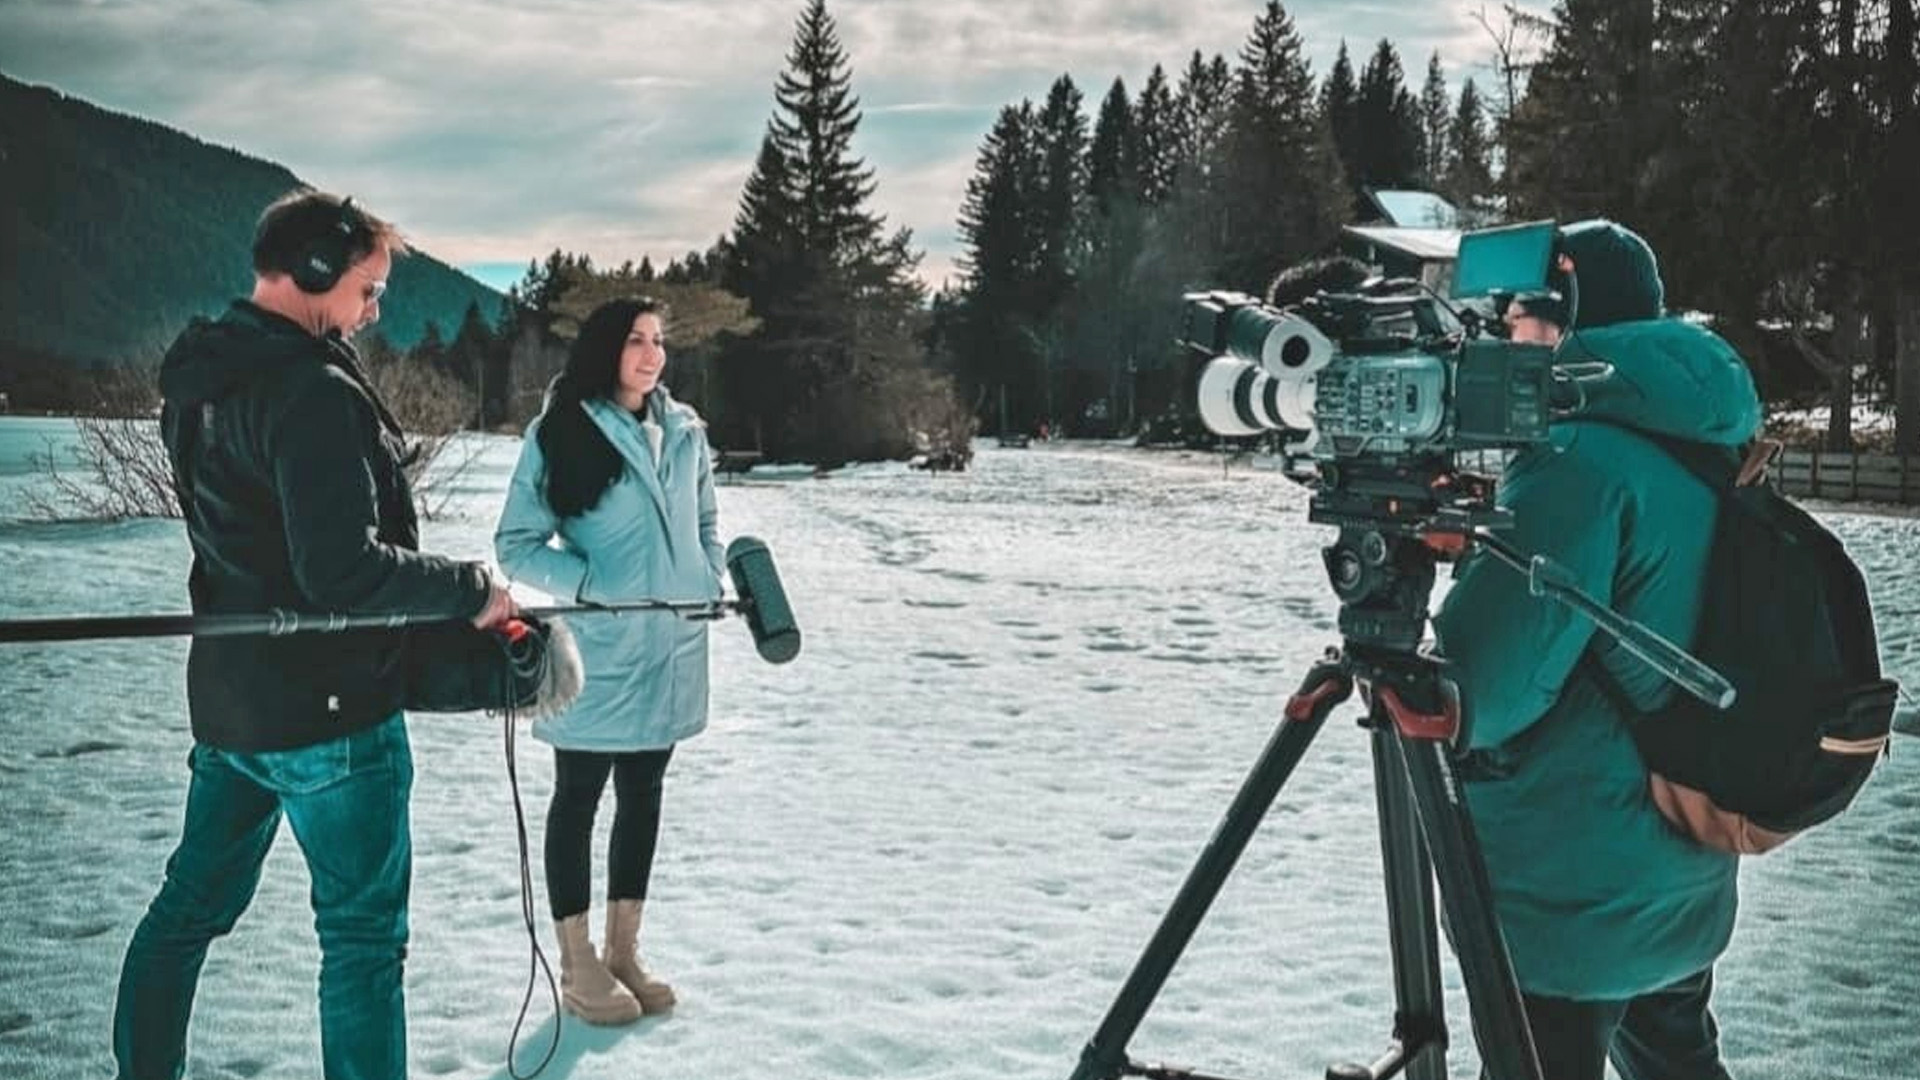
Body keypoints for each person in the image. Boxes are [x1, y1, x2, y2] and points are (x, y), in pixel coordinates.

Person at [115, 189, 517, 1080]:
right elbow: (342, 571)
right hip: (332, 719)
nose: (373, 310)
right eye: (368, 290)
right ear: (315, 270)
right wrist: (471, 589)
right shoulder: (310, 392)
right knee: (363, 945)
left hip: (231, 707)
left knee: (185, 912)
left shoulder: (200, 378)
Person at [1432, 219, 1762, 1080]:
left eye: (1519, 319)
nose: (1504, 338)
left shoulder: (1578, 456)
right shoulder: (1695, 433)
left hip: (1572, 886)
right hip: (1678, 857)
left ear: (1568, 319)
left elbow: (1481, 687)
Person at [494, 297, 724, 1025]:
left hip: (673, 644)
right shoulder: (561, 432)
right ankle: (578, 962)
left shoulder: (685, 432)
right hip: (600, 653)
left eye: (659, 340)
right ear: (605, 349)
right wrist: (591, 584)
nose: (653, 355)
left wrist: (705, 574)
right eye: (636, 340)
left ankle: (624, 951)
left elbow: (707, 521)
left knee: (645, 792)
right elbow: (515, 544)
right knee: (580, 796)